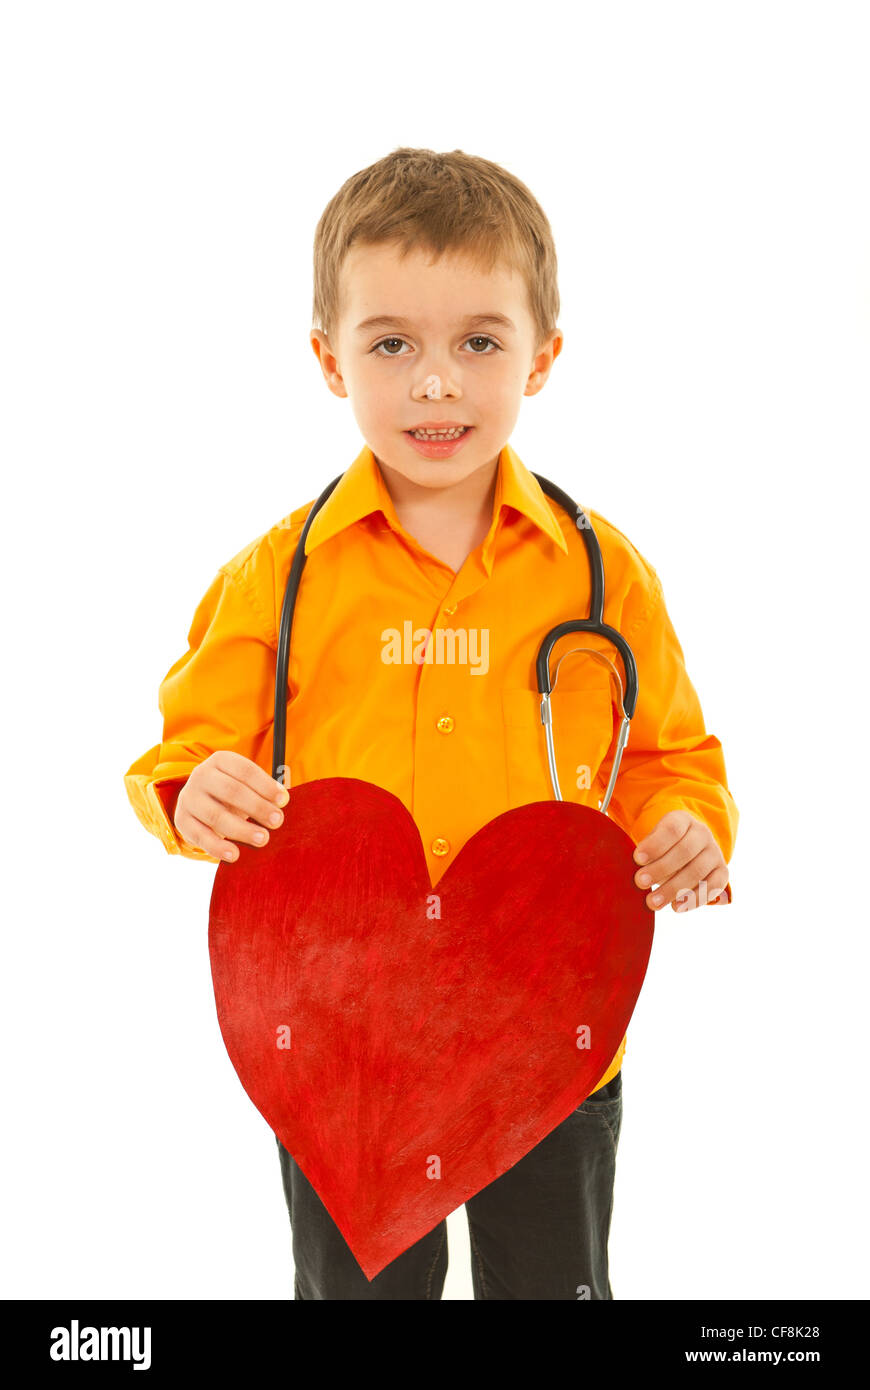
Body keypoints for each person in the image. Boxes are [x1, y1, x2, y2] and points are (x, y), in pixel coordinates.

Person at [124, 146, 738, 1300]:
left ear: (543, 358)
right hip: (343, 1038)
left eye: (481, 342)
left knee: (554, 1283)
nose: (437, 384)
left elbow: (669, 759)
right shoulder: (281, 576)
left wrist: (689, 826)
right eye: (392, 343)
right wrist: (192, 789)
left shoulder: (606, 579)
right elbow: (185, 748)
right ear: (328, 359)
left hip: (552, 1024)